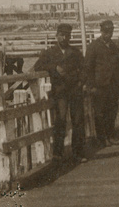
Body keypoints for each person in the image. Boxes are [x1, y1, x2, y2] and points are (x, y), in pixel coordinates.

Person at [32, 22, 86, 161]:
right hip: (60, 91)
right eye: (61, 35)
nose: (64, 38)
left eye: (67, 35)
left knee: (78, 121)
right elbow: (37, 67)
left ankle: (78, 153)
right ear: (57, 36)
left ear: (70, 36)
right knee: (60, 120)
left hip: (75, 90)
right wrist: (54, 68)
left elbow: (84, 69)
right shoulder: (49, 53)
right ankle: (58, 153)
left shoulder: (75, 52)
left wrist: (81, 83)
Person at [84, 19, 119, 147]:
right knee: (99, 113)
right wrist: (91, 85)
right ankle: (102, 138)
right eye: (106, 32)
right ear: (101, 31)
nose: (108, 34)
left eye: (110, 32)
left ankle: (110, 135)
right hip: (99, 85)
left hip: (112, 85)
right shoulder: (93, 46)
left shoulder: (114, 46)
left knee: (112, 112)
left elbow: (118, 64)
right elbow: (88, 68)